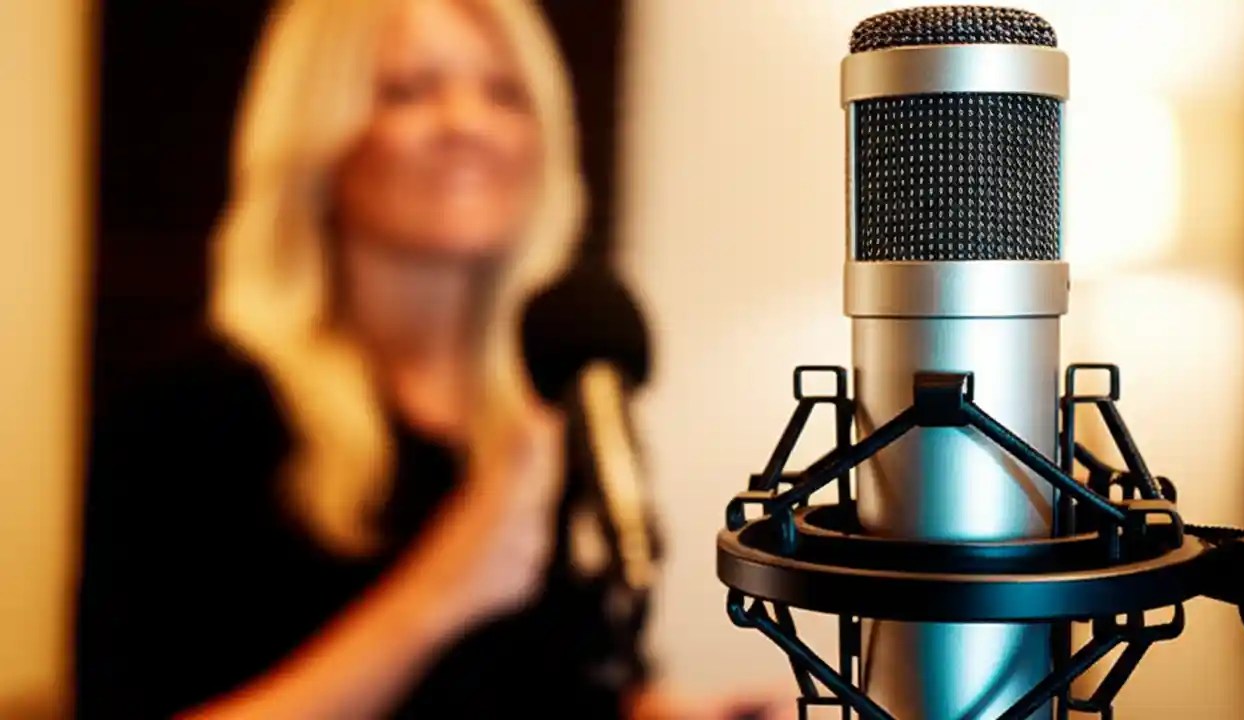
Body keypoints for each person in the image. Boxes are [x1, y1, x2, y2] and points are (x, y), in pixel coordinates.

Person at [74, 0, 789, 718]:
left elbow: (569, 684)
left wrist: (669, 713)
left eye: (504, 94)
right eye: (409, 90)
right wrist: (446, 585)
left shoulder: (550, 407)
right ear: (318, 135)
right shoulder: (181, 419)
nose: (466, 124)